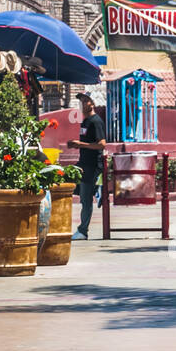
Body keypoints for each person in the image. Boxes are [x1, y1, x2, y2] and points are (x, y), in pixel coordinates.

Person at [69, 91, 107, 241]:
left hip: (92, 165)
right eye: (82, 101)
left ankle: (83, 231)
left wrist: (81, 144)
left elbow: (101, 144)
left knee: (85, 200)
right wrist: (77, 146)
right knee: (72, 184)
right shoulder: (85, 122)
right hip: (83, 163)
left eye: (86, 101)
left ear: (92, 103)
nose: (83, 104)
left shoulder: (95, 121)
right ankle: (97, 189)